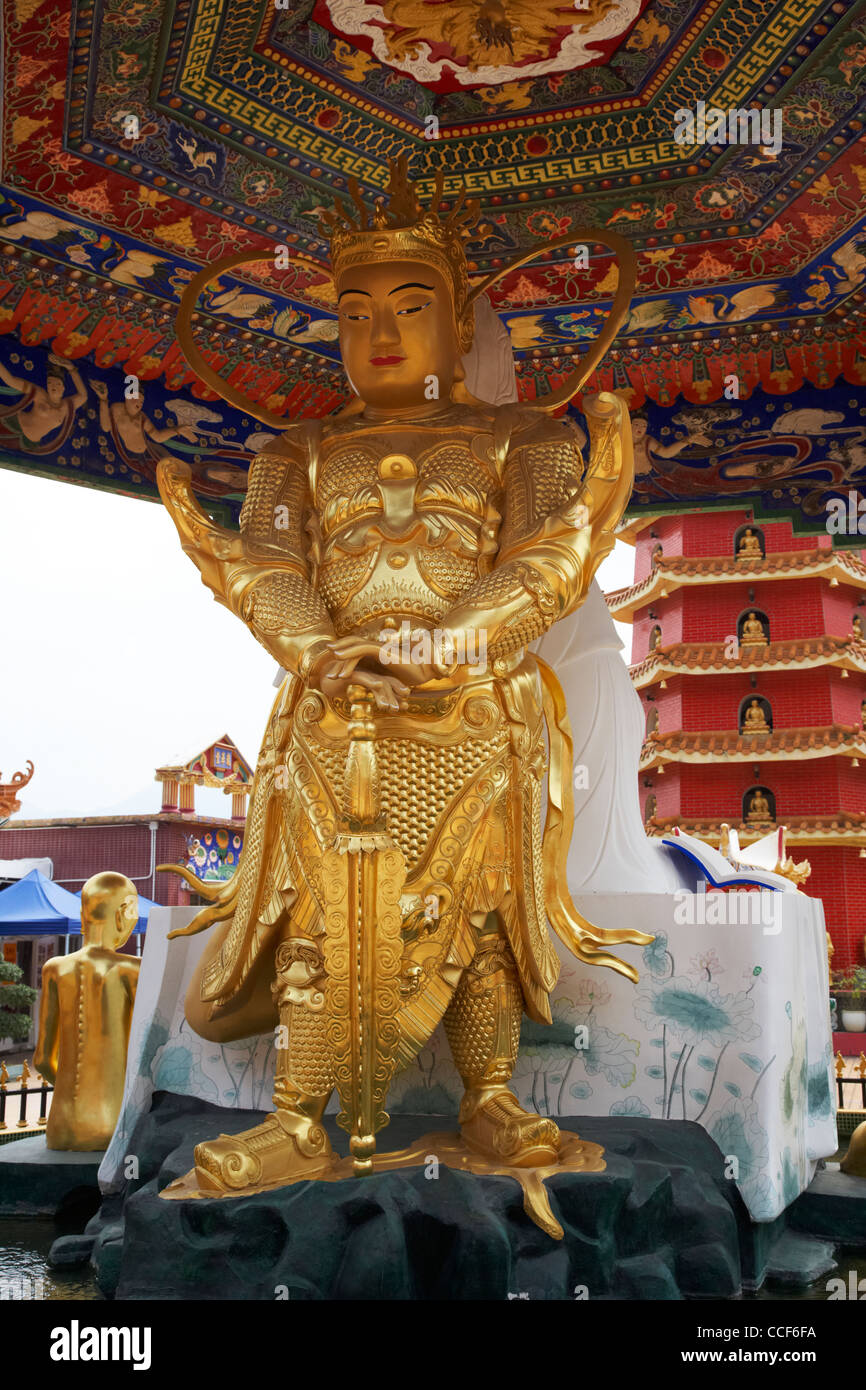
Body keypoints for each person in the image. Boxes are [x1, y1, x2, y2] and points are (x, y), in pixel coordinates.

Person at [157, 160, 649, 1194]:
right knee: (315, 915)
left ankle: (489, 1092)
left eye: (410, 307)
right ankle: (297, 1117)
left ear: (457, 320)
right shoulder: (291, 452)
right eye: (352, 313)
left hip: (472, 702)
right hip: (333, 713)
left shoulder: (523, 438)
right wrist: (319, 651)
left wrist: (445, 644)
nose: (378, 334)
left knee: (475, 909)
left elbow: (546, 562)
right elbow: (268, 569)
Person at [34, 873, 140, 1150]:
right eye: (134, 912)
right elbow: (144, 1054)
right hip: (112, 1126)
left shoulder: (55, 968)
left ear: (84, 914)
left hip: (59, 1127)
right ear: (122, 915)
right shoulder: (133, 970)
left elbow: (43, 1060)